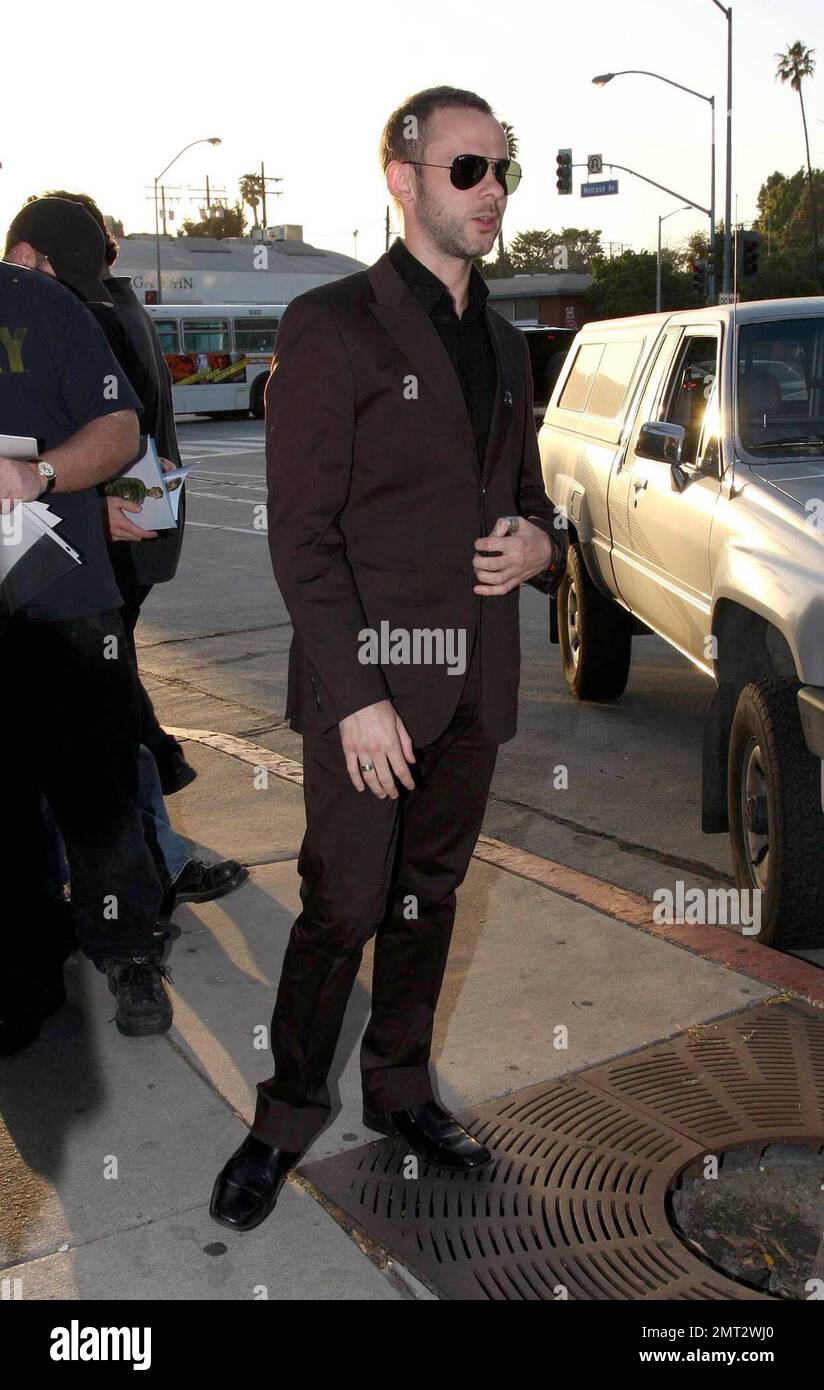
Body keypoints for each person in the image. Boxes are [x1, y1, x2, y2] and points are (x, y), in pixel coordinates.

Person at [210, 86, 567, 1232]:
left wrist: (541, 547)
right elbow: (302, 535)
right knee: (343, 904)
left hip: (473, 683)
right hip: (366, 687)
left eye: (502, 169)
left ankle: (401, 1089)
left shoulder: (504, 343)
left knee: (428, 895)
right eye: (468, 169)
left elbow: (526, 499)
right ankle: (282, 1116)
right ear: (402, 179)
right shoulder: (332, 324)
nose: (492, 191)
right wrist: (355, 697)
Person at [5, 198, 249, 928]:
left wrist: (112, 497)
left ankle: (145, 872)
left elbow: (121, 431)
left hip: (91, 558)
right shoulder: (103, 310)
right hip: (94, 555)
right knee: (106, 723)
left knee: (105, 727)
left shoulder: (84, 315)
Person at [0, 246, 172, 1048]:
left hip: (65, 605)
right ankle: (27, 970)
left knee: (98, 798)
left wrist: (37, 474)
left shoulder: (40, 304)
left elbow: (120, 427)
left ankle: (129, 950)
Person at [29, 190, 198, 795]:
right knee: (110, 665)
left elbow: (114, 430)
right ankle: (157, 771)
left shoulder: (89, 316)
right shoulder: (127, 308)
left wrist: (94, 505)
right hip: (140, 515)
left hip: (115, 523)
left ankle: (149, 801)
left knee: (100, 678)